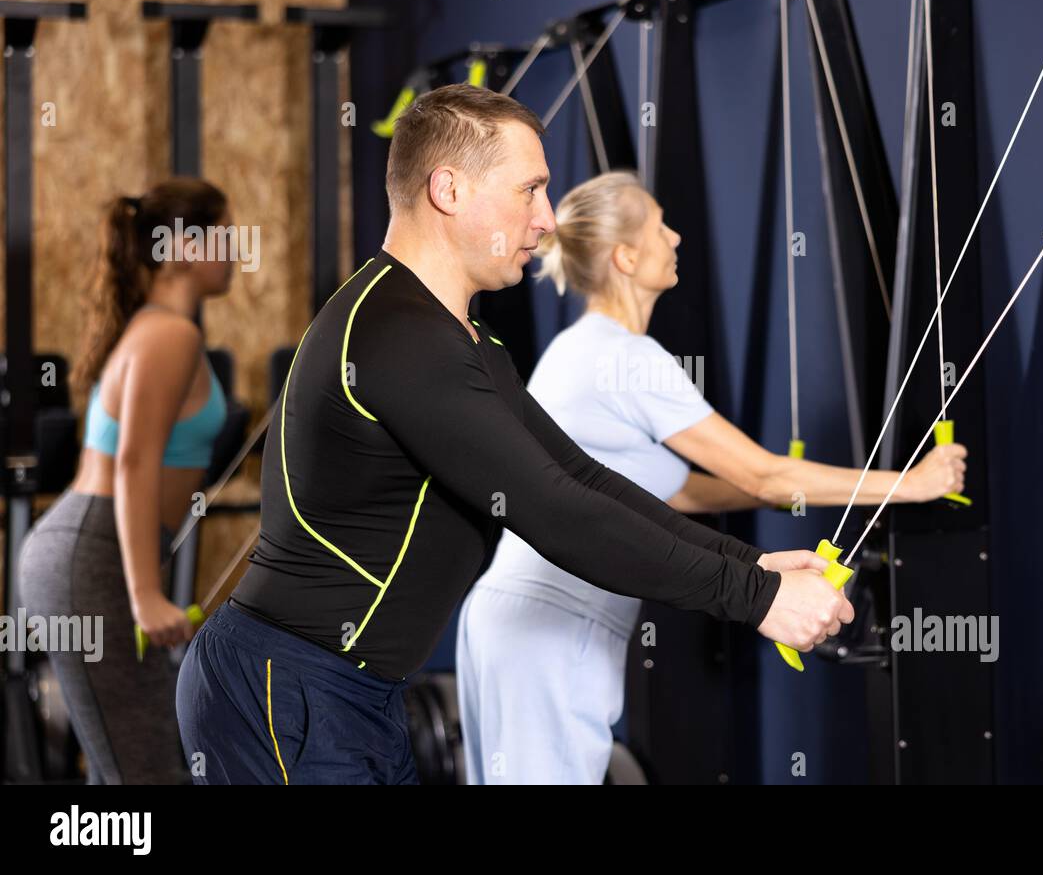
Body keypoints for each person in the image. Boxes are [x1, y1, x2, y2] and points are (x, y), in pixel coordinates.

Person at [174, 83, 851, 785]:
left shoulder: (463, 341)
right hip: (287, 686)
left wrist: (752, 567)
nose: (547, 219)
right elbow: (555, 512)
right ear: (449, 190)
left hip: (352, 693)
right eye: (529, 190)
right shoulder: (396, 334)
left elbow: (582, 479)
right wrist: (755, 600)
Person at [456, 171, 967, 784]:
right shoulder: (627, 357)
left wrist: (779, 495)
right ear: (626, 256)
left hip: (514, 621)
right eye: (659, 225)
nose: (675, 236)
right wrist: (917, 482)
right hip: (552, 629)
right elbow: (766, 475)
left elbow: (675, 493)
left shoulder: (582, 348)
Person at [18, 178, 233, 784]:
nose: (236, 251)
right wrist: (144, 596)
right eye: (224, 234)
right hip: (91, 554)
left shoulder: (160, 327)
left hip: (88, 552)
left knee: (125, 762)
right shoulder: (170, 333)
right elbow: (135, 460)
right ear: (186, 247)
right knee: (146, 771)